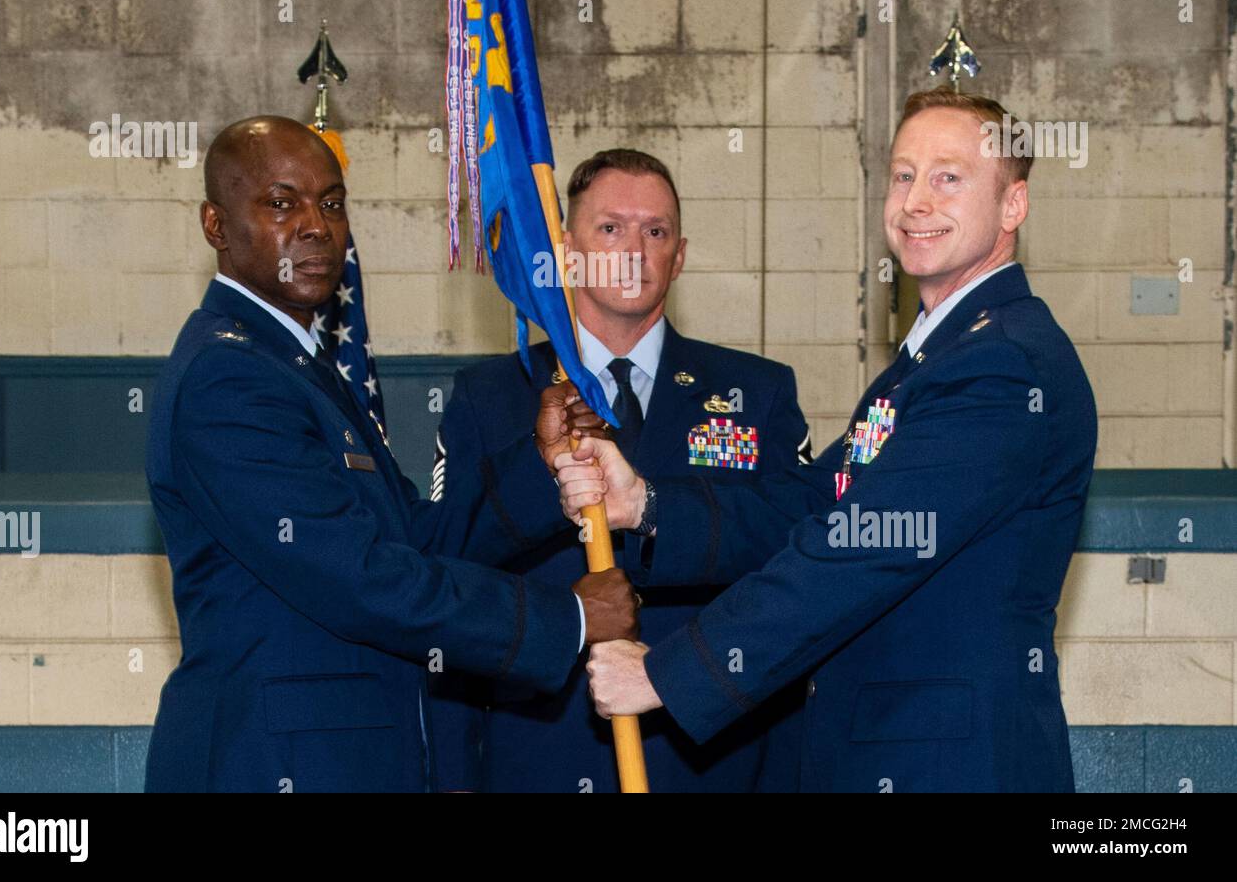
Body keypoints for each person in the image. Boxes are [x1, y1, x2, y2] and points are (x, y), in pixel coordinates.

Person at [551, 89, 1098, 792]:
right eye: (903, 175)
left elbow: (863, 546)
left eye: (948, 178)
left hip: (950, 762)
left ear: (1012, 206)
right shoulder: (927, 364)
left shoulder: (1002, 365)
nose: (915, 202)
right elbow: (808, 507)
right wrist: (647, 503)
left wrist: (669, 671)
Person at [143, 116, 637, 793]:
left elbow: (414, 537)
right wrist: (568, 618)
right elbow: (361, 579)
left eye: (333, 202)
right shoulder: (228, 379)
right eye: (281, 203)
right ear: (216, 225)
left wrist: (543, 466)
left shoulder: (298, 366)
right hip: (270, 765)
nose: (317, 225)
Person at [430, 148, 813, 793]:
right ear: (567, 247)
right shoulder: (488, 397)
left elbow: (803, 556)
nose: (633, 248)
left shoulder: (759, 392)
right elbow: (445, 562)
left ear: (680, 255)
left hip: (713, 757)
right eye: (610, 228)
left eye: (655, 231)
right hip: (536, 755)